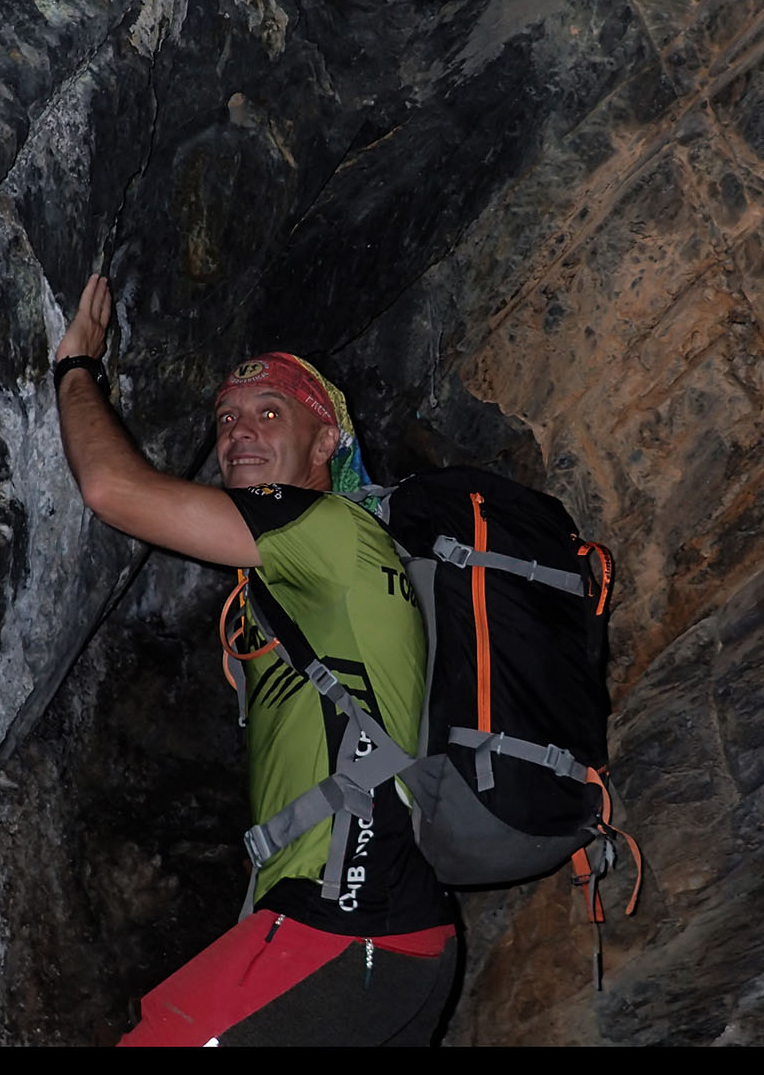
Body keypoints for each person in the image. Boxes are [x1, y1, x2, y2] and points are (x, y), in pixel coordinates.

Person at [53, 274, 459, 1046]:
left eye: (270, 413)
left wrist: (76, 368)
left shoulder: (323, 528)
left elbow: (110, 488)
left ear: (326, 442)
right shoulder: (316, 572)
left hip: (346, 923)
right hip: (392, 940)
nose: (239, 432)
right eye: (226, 418)